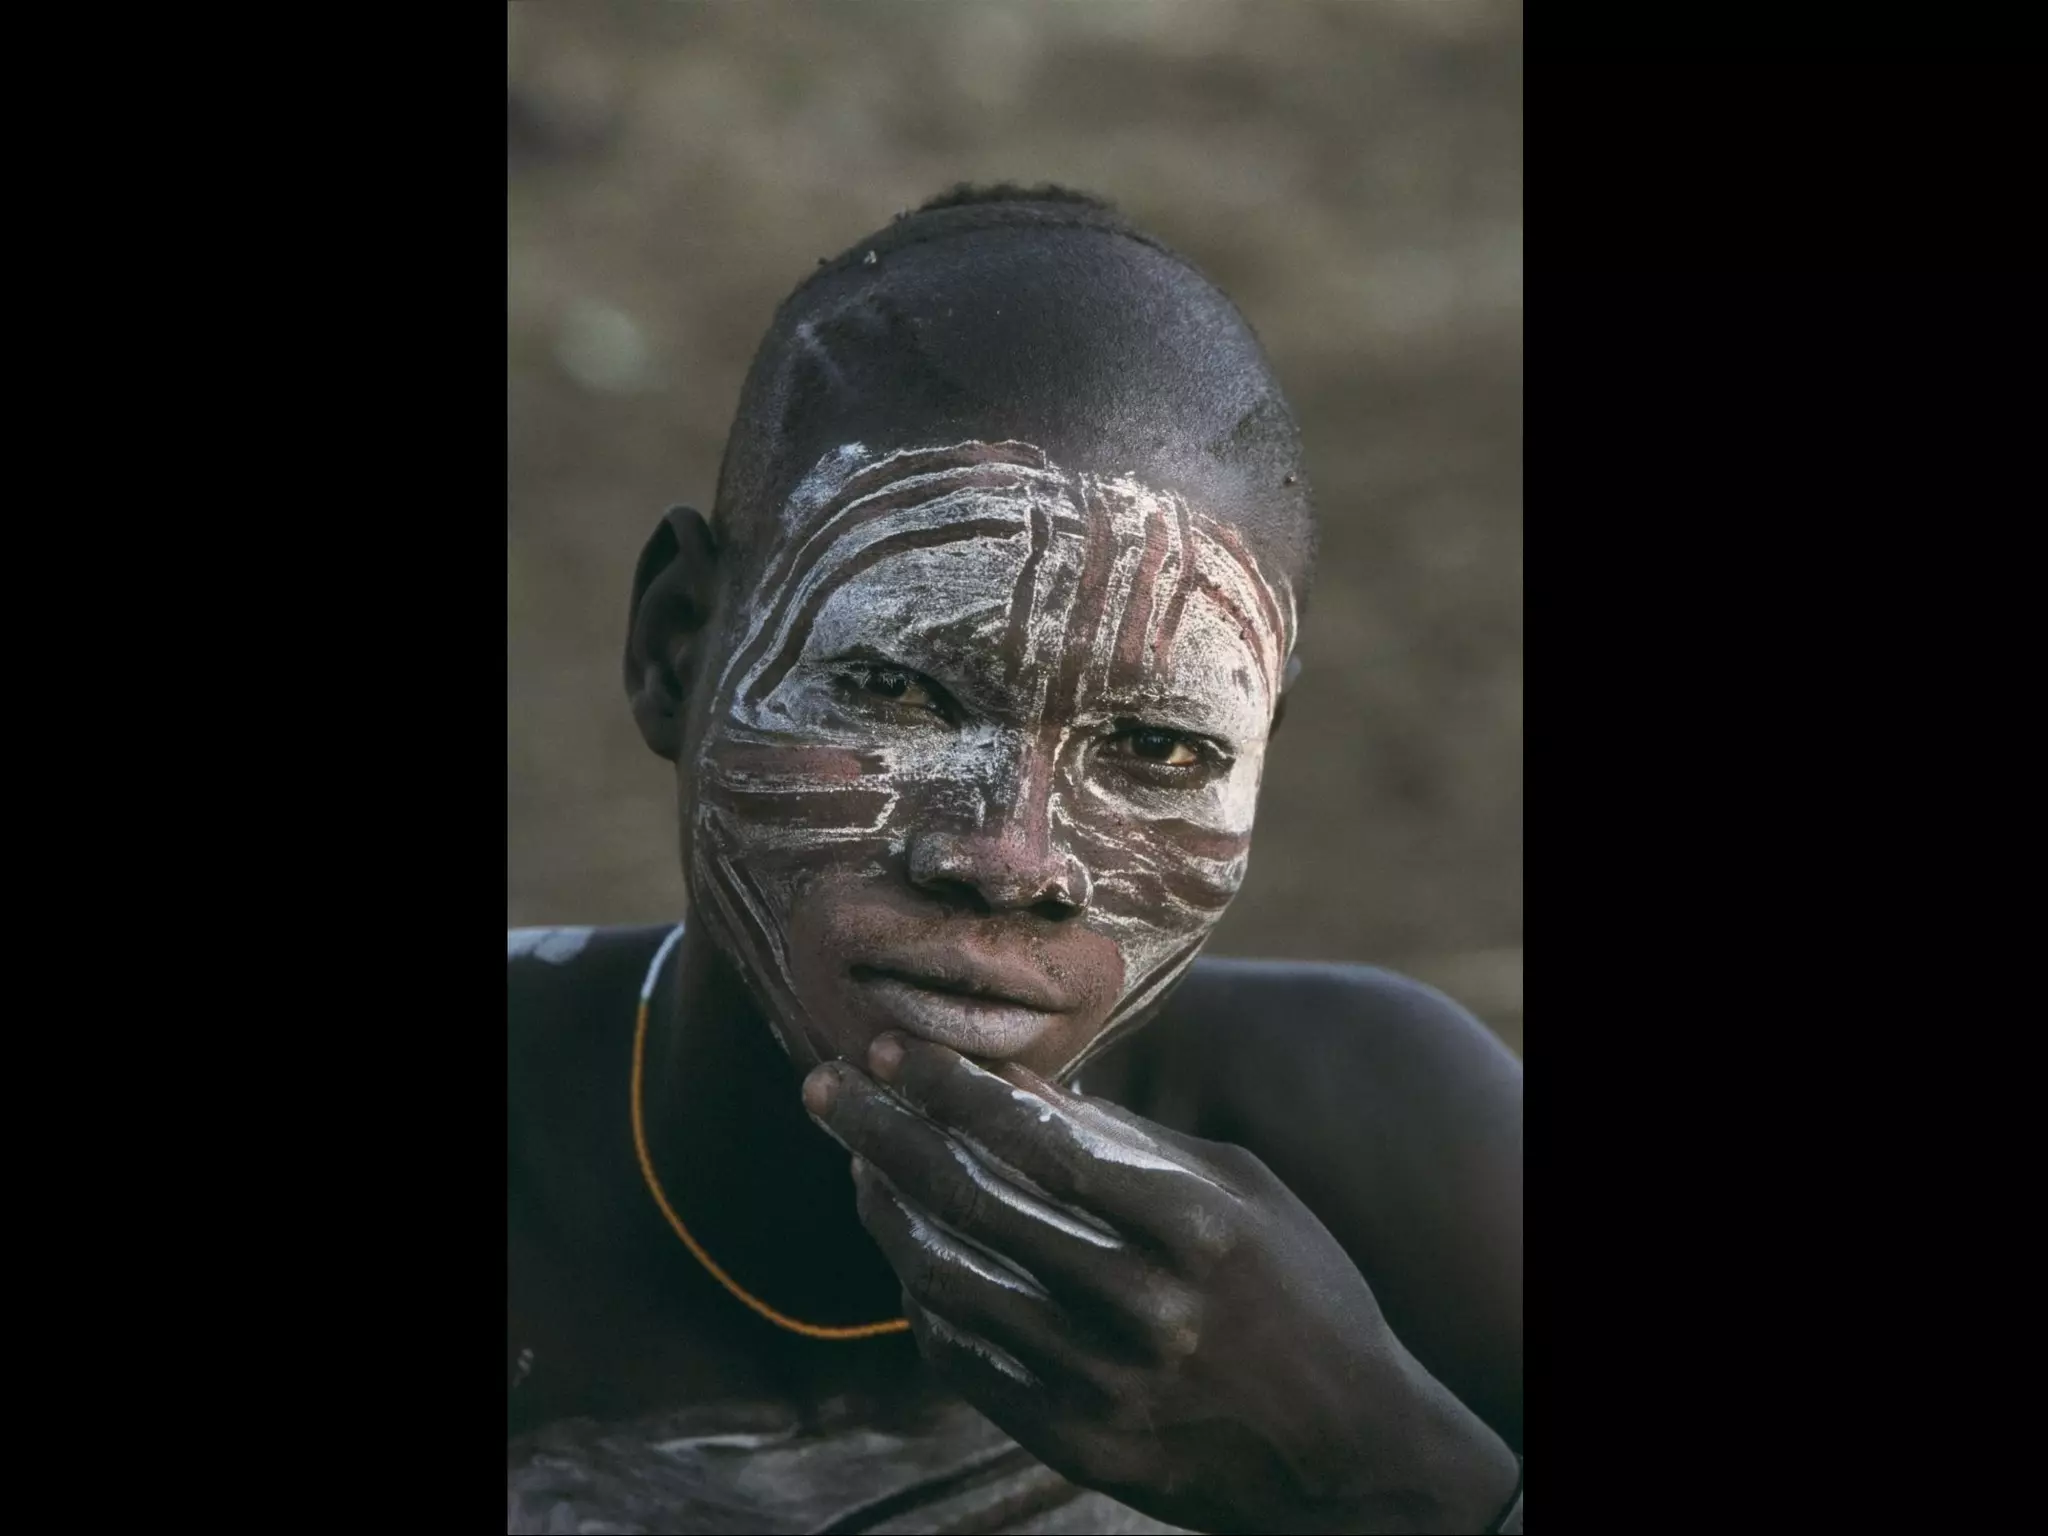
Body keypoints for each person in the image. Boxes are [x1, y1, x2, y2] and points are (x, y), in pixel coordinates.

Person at [508, 185, 1523, 1535]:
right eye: (897, 688)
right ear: (676, 649)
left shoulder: (1399, 1156)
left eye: (1159, 747)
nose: (1010, 858)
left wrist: (1383, 1466)